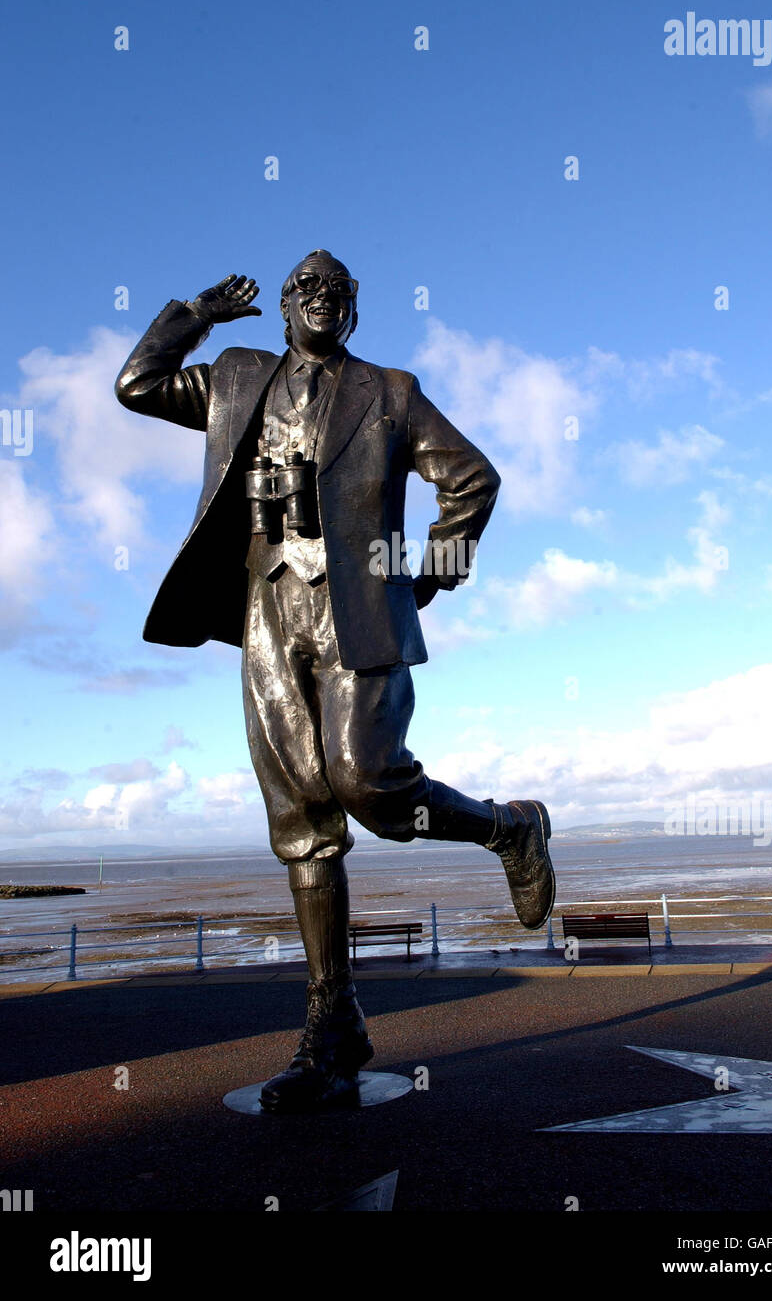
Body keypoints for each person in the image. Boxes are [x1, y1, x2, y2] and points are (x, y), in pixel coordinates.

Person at [115, 251, 555, 1111]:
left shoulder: (390, 391)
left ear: (354, 311)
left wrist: (430, 570)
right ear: (283, 306)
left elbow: (472, 478)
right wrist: (196, 313)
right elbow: (137, 384)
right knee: (303, 825)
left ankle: (510, 828)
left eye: (341, 292)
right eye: (309, 289)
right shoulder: (236, 379)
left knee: (369, 784)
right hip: (266, 614)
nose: (325, 299)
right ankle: (332, 1026)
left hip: (359, 614)